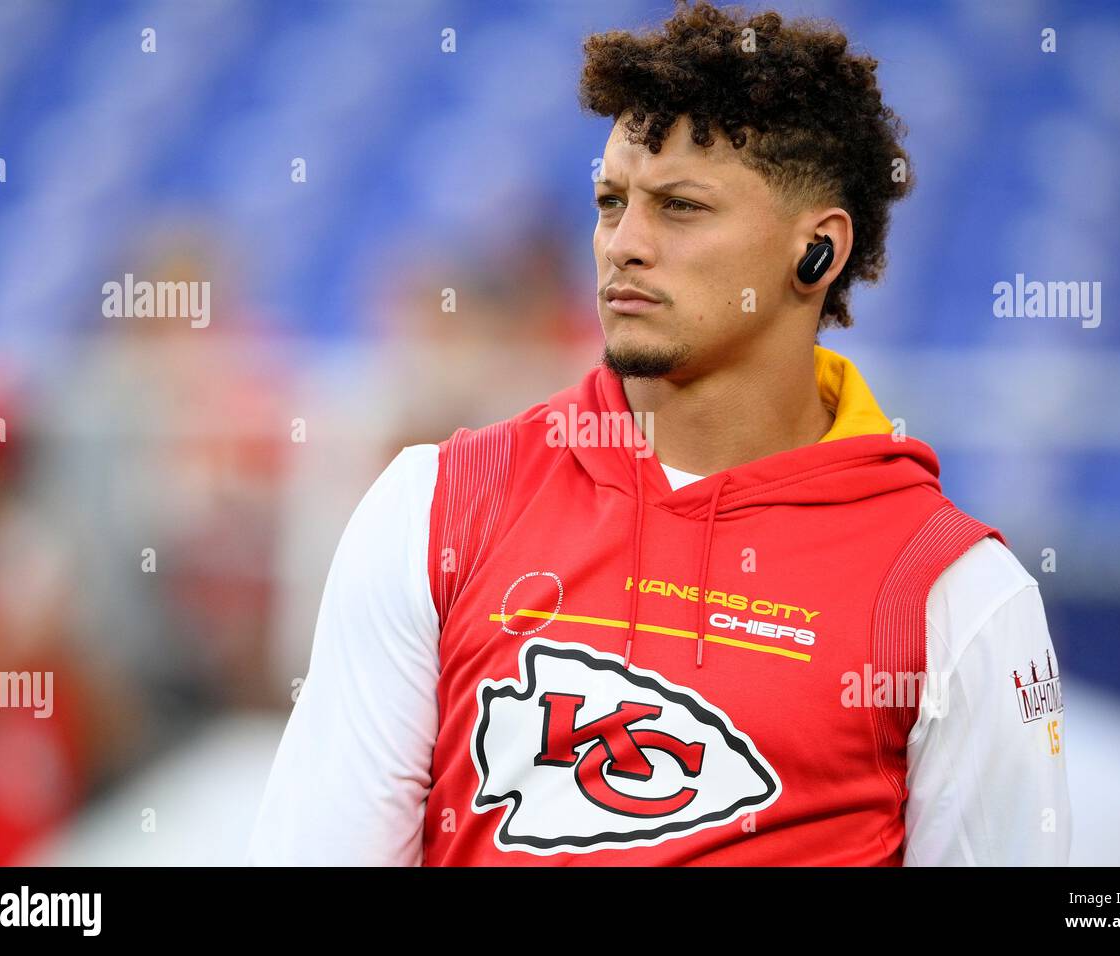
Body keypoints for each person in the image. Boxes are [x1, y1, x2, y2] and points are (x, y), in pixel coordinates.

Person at [248, 0, 1070, 866]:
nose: (623, 245)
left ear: (817, 253)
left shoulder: (956, 596)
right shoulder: (435, 509)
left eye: (680, 207)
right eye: (611, 202)